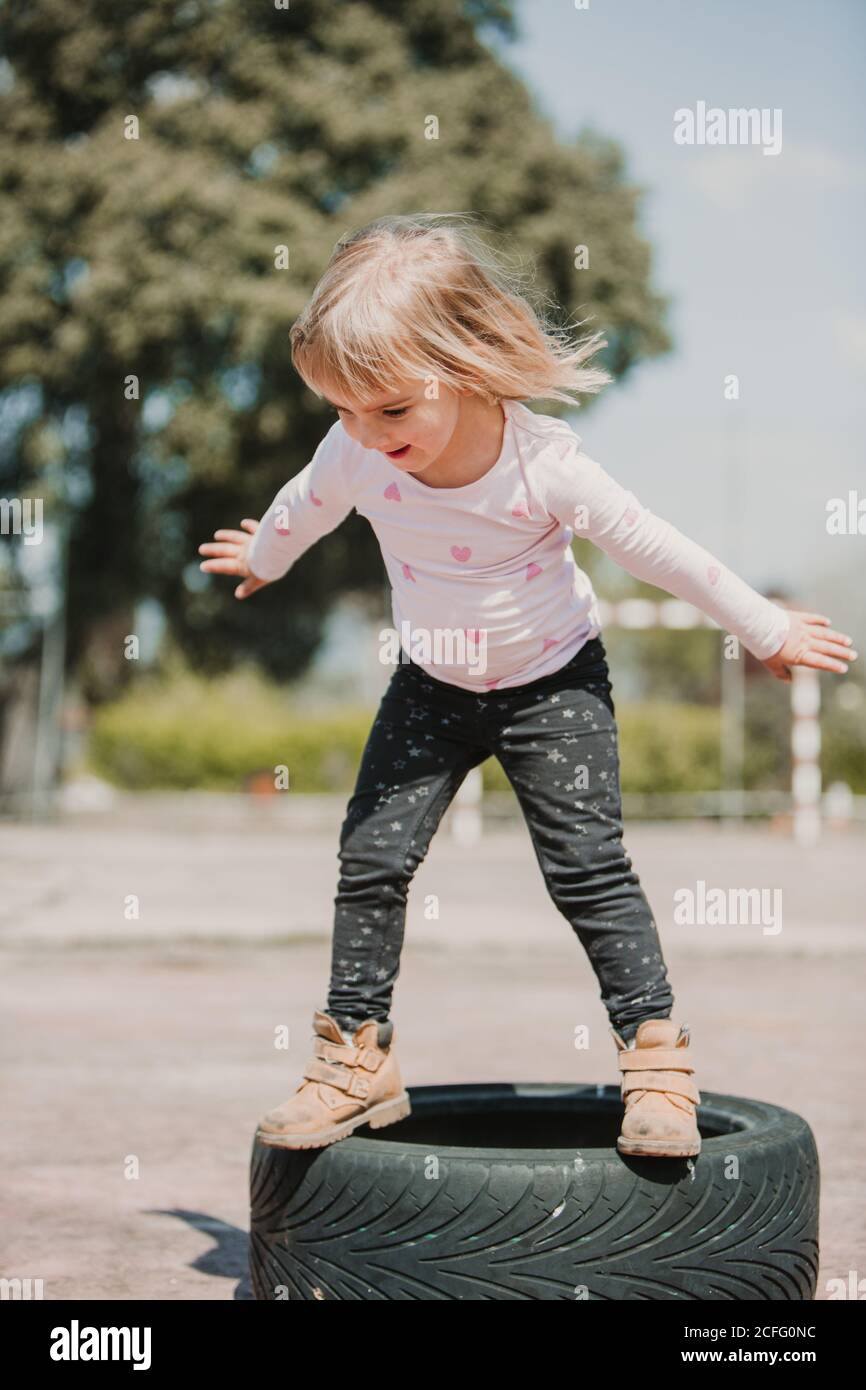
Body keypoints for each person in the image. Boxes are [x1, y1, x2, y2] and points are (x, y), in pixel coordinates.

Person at [199, 213, 856, 1158]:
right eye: (341, 411)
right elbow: (307, 504)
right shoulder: (357, 450)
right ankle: (355, 1059)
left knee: (587, 871)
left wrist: (767, 627)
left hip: (554, 687)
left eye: (390, 411)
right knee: (370, 860)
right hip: (431, 684)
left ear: (463, 365)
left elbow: (660, 549)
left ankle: (658, 1064)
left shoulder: (545, 464)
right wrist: (265, 554)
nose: (366, 436)